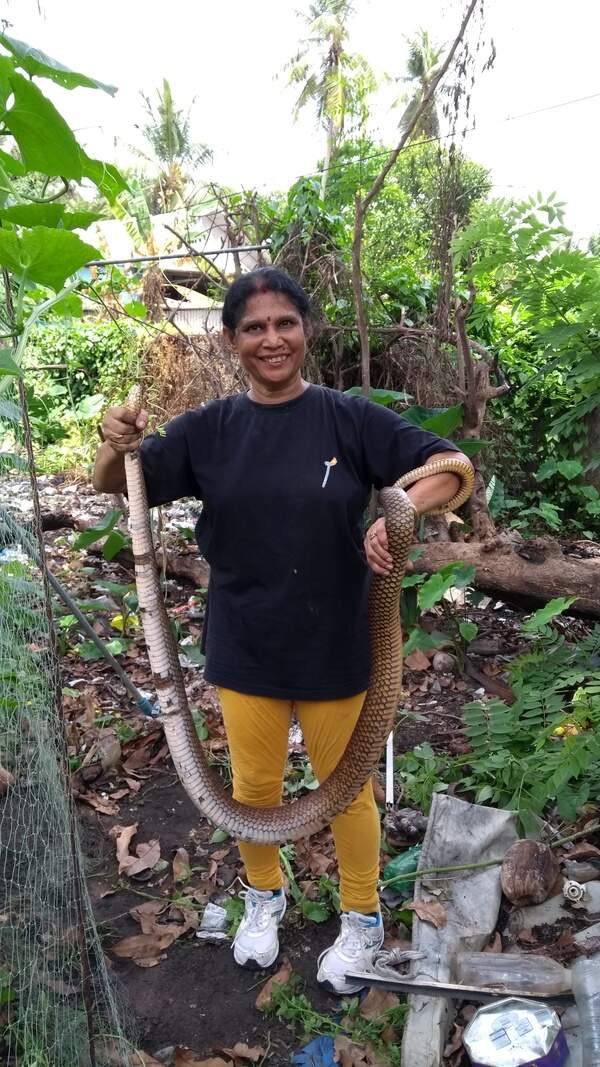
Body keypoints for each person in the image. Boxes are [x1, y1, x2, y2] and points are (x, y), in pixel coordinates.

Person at [93, 267, 472, 995]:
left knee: (347, 791)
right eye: (254, 327)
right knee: (252, 789)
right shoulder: (210, 429)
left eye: (285, 323)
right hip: (246, 644)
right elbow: (117, 478)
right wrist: (113, 441)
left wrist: (399, 507)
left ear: (305, 329)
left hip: (338, 643)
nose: (272, 339)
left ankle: (362, 917)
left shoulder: (348, 417)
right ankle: (262, 896)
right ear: (232, 341)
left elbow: (451, 468)